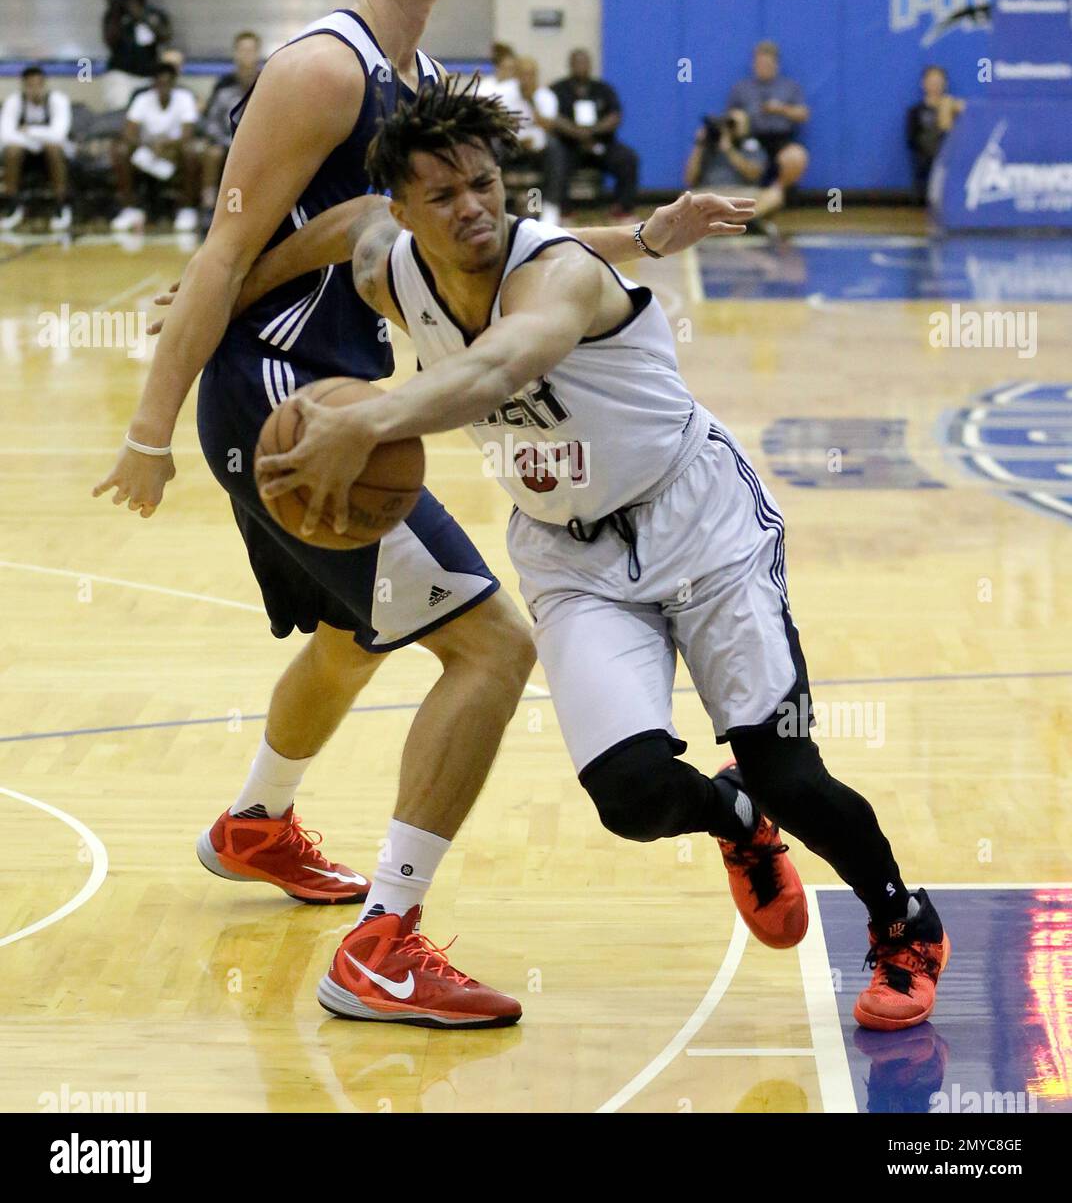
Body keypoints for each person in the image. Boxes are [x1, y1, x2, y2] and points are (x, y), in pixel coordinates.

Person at [93, 0, 751, 1030]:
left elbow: (487, 243)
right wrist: (148, 429)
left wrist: (644, 236)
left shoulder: (426, 78)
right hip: (290, 398)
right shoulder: (319, 70)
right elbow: (223, 252)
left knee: (358, 633)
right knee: (493, 647)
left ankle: (256, 823)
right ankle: (382, 943)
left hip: (342, 385)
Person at [256, 81, 951, 1035]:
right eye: (446, 196)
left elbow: (498, 367)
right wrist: (232, 286)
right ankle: (737, 824)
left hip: (698, 524)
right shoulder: (391, 263)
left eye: (487, 185)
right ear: (406, 211)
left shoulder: (561, 277)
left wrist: (363, 420)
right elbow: (344, 228)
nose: (474, 209)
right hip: (568, 553)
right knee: (628, 796)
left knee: (789, 770)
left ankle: (903, 922)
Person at [546, 48, 639, 219]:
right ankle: (564, 210)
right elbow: (551, 117)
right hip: (570, 145)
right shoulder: (557, 90)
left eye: (585, 62)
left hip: (600, 144)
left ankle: (622, 208)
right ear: (570, 65)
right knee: (555, 159)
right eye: (577, 62)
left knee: (628, 158)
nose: (581, 66)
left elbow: (615, 116)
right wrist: (576, 132)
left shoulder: (603, 89)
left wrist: (592, 131)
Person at [110, 62, 200, 232]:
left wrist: (166, 145)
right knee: (120, 150)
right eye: (159, 83)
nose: (162, 87)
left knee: (191, 151)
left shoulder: (185, 98)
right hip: (147, 150)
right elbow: (129, 132)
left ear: (174, 83)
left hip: (175, 150)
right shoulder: (142, 99)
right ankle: (129, 209)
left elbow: (187, 134)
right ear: (153, 84)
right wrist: (150, 145)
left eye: (167, 83)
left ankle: (187, 209)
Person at [726, 42, 809, 204]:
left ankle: (775, 194)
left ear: (776, 64)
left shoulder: (789, 87)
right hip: (751, 140)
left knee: (796, 156)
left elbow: (803, 114)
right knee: (742, 156)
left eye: (767, 64)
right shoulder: (741, 88)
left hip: (780, 140)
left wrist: (781, 109)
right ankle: (747, 197)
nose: (763, 67)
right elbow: (731, 118)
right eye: (759, 63)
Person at [199, 31, 263, 230]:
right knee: (212, 154)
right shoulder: (224, 87)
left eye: (251, 50)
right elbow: (211, 122)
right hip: (226, 143)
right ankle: (208, 208)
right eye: (242, 50)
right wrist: (229, 142)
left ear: (258, 54)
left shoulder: (269, 83)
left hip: (261, 147)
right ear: (235, 54)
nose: (246, 55)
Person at [683, 107, 783, 232]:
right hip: (712, 193)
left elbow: (754, 175)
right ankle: (722, 221)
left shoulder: (751, 146)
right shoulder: (707, 146)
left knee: (774, 194)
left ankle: (741, 221)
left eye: (737, 123)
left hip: (743, 194)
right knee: (685, 198)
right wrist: (699, 144)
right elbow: (689, 179)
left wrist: (729, 149)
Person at [0, 65, 74, 232]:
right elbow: (5, 135)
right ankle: (12, 205)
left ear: (44, 84)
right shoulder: (14, 101)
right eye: (30, 86)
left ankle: (61, 205)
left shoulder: (58, 100)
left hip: (55, 155)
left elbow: (59, 135)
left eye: (38, 85)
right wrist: (36, 141)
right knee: (12, 150)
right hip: (25, 155)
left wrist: (30, 131)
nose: (35, 90)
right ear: (23, 86)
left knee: (52, 147)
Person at [100, 0, 173, 111]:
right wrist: (117, 8)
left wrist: (142, 17)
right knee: (119, 110)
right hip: (121, 74)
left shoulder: (154, 14)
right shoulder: (115, 14)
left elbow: (166, 35)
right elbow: (110, 40)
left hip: (149, 75)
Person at [501, 56, 561, 223]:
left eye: (530, 75)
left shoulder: (546, 96)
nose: (527, 79)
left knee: (555, 148)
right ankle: (497, 204)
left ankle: (549, 205)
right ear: (516, 76)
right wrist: (515, 139)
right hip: (509, 143)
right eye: (523, 74)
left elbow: (549, 126)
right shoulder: (504, 93)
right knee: (491, 145)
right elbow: (496, 123)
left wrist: (531, 101)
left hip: (536, 148)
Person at [906, 66, 964, 203]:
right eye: (931, 81)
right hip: (927, 172)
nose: (935, 86)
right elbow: (914, 142)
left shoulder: (954, 108)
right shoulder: (915, 112)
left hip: (951, 174)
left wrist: (955, 112)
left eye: (938, 82)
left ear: (945, 84)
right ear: (923, 83)